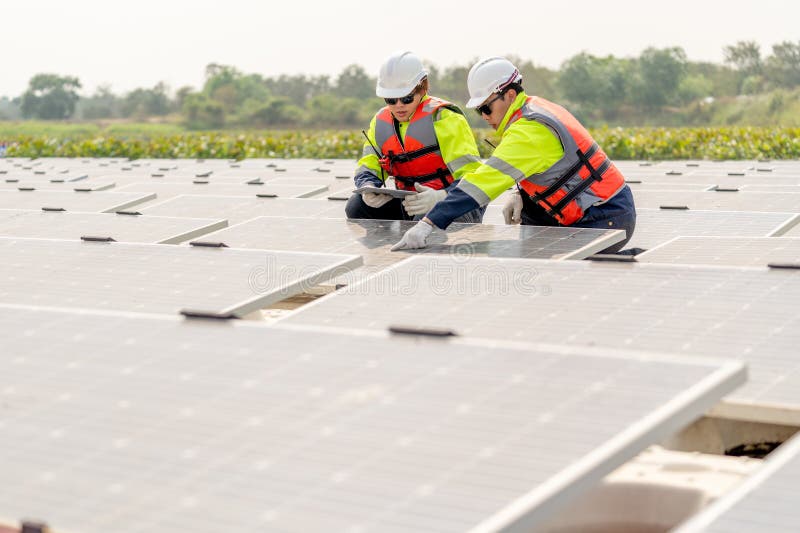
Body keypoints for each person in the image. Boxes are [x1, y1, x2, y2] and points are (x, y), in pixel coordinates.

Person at [391, 57, 636, 253]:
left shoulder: (529, 130)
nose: (485, 116)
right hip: (599, 210)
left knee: (552, 269)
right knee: (530, 224)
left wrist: (428, 224)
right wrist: (520, 193)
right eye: (479, 111)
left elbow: (482, 182)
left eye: (486, 107)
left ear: (509, 95)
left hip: (605, 218)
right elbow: (548, 167)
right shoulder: (533, 109)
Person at [345, 51, 485, 223]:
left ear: (423, 88)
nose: (398, 106)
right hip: (410, 200)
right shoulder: (380, 122)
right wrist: (368, 187)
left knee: (426, 218)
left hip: (455, 200)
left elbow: (471, 174)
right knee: (356, 206)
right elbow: (369, 164)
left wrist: (441, 196)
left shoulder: (445, 117)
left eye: (407, 98)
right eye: (390, 100)